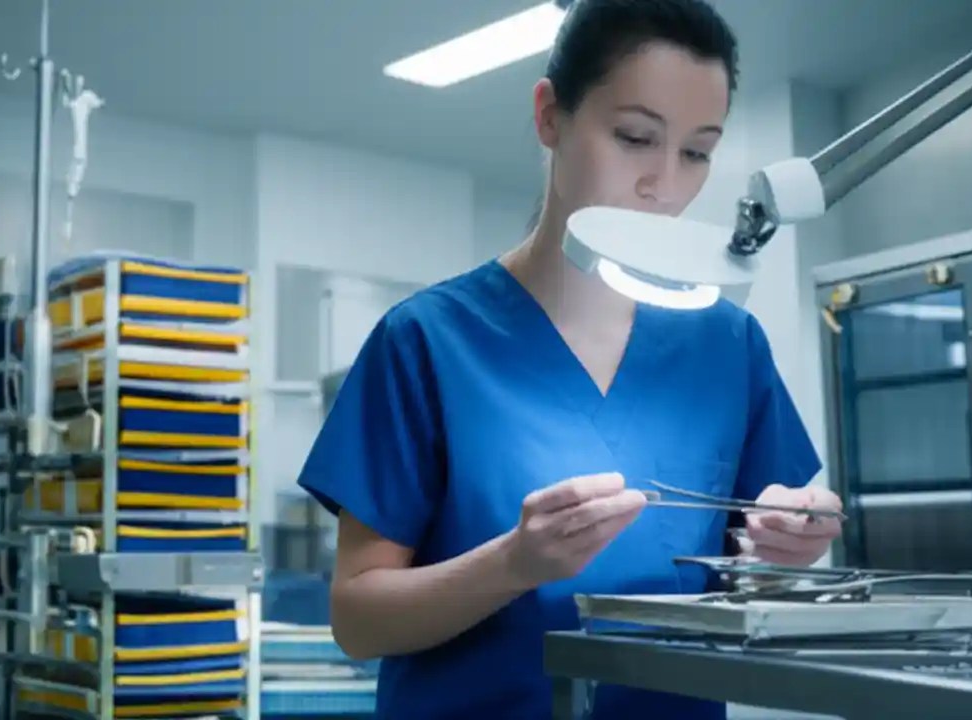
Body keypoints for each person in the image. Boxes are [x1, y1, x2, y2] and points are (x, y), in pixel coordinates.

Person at [296, 0, 844, 717]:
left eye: (697, 152)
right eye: (635, 137)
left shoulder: (728, 344)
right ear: (550, 116)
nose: (664, 185)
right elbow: (358, 621)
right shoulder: (427, 341)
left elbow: (752, 568)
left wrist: (793, 541)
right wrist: (513, 563)